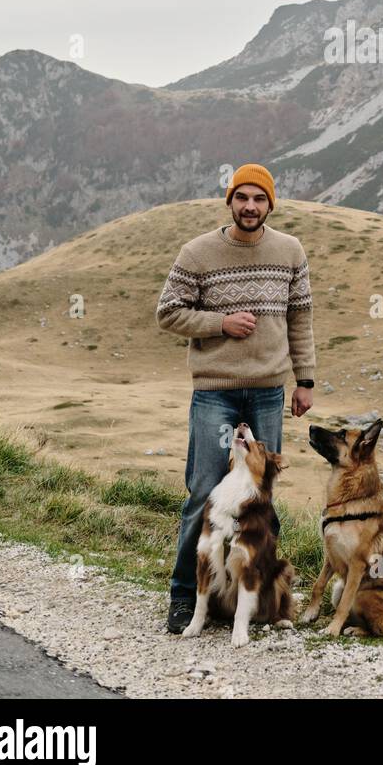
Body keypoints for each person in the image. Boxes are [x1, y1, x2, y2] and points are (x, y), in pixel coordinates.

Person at [156, 162, 316, 633]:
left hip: (268, 390)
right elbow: (168, 312)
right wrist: (218, 324)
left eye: (259, 199)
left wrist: (304, 379)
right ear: (230, 201)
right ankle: (186, 596)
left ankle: (258, 598)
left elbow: (300, 320)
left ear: (271, 204)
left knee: (261, 499)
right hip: (215, 393)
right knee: (204, 492)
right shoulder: (198, 252)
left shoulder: (289, 251)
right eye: (242, 197)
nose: (250, 206)